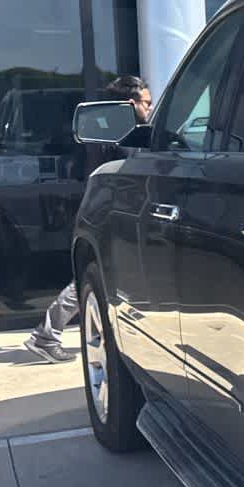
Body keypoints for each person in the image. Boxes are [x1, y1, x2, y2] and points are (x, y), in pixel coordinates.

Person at [24, 76, 152, 363]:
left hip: (109, 212)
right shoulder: (125, 136)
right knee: (93, 277)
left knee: (104, 277)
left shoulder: (107, 129)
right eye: (147, 102)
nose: (151, 107)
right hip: (114, 216)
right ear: (132, 104)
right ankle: (45, 335)